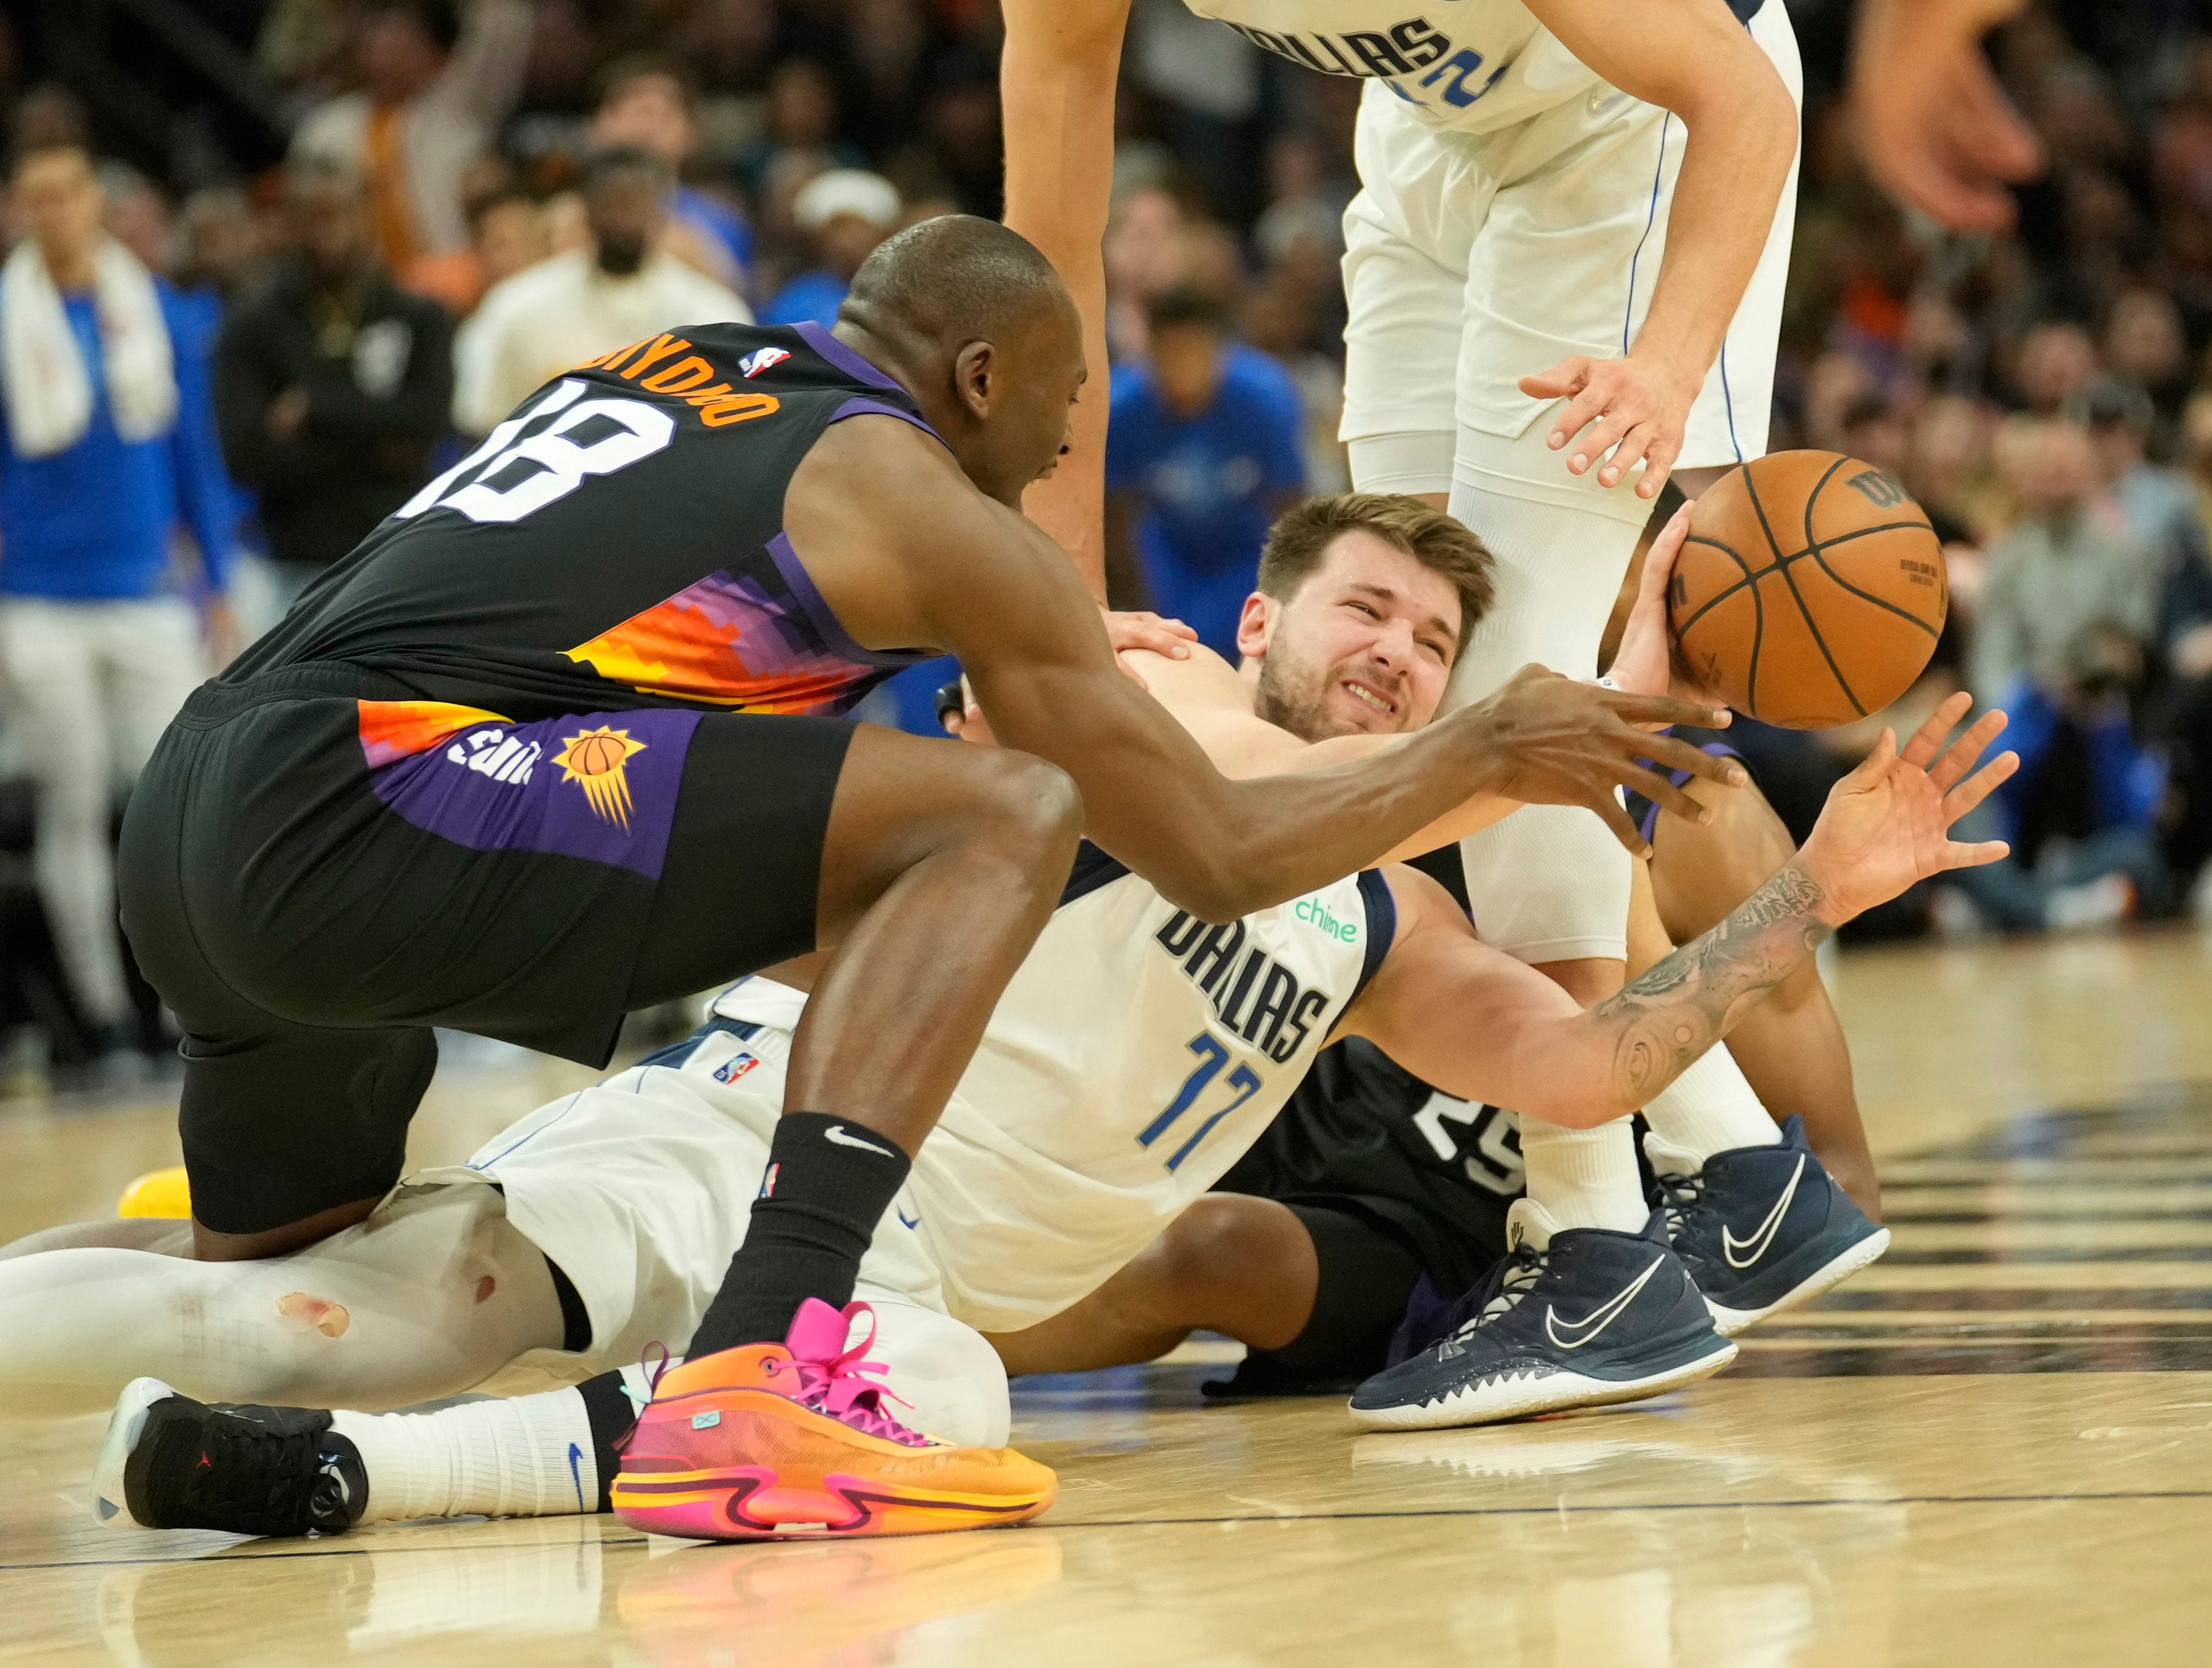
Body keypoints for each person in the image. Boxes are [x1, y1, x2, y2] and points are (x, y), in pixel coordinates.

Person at [109, 216, 1741, 1544]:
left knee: (263, 1293)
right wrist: (1479, 752)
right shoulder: (934, 511)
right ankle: (764, 1353)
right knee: (999, 816)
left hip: (200, 798)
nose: (1046, 477)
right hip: (371, 813)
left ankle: (260, 1412)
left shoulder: (697, 365)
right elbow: (1219, 848)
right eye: (1049, 431)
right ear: (974, 376)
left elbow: (621, 634)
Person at [61, 496, 2007, 1535]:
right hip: (751, 1132)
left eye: (1422, 642)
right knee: (321, 1316)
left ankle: (315, 1481)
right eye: (1354, 606)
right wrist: (1599, 703)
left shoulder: (1378, 917)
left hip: (894, 1282)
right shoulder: (1150, 693)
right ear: (1251, 623)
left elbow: (1590, 1060)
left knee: (957, 1401)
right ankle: (293, 1391)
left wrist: (1811, 892)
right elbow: (1259, 795)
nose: (1387, 652)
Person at [1005, 0, 1806, 1323]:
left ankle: (1594, 1247)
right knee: (1436, 651)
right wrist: (1070, 602)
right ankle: (1732, 1159)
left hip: (1641, 108)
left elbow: (1743, 100)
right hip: (1440, 130)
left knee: (1505, 678)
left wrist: (1664, 370)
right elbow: (1047, 267)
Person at [0, 141, 238, 1073]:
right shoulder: (8, 317)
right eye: (37, 196)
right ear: (22, 208)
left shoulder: (153, 313)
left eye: (70, 192)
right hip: (38, 603)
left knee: (177, 801)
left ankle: (192, 1004)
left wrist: (212, 578)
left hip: (145, 592)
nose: (55, 210)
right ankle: (102, 1018)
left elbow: (195, 458)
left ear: (97, 199)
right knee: (71, 803)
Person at [214, 161, 455, 617]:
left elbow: (429, 423)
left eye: (339, 213)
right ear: (288, 225)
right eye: (311, 217)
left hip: (399, 563)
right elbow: (245, 458)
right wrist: (381, 444)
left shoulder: (421, 318)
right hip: (294, 571)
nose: (328, 231)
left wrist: (315, 410)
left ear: (365, 215)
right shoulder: (252, 325)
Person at [450, 148, 750, 436]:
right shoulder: (518, 306)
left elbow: (740, 427)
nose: (624, 217)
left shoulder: (713, 315)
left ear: (662, 210)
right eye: (613, 203)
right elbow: (483, 424)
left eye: (635, 202)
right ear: (586, 209)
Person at [1105, 287, 1308, 656]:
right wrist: (1137, 599)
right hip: (1167, 550)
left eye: (1194, 353)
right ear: (1149, 353)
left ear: (1220, 351)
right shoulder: (1120, 409)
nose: (1183, 369)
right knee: (1171, 644)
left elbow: (1289, 503)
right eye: (1170, 354)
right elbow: (1117, 515)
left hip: (1245, 549)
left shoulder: (1266, 397)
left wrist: (1288, 593)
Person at [290, 0, 533, 271]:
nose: (387, 55)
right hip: (356, 281)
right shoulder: (325, 129)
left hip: (451, 273)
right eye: (380, 41)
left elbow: (503, 28)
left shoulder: (460, 122)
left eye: (403, 42)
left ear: (438, 55)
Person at [589, 57, 754, 293]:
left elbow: (736, 311)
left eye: (663, 115)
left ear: (691, 133)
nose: (646, 127)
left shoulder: (719, 225)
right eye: (632, 110)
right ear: (598, 124)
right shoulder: (557, 221)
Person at [760, 170, 903, 329]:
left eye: (856, 229)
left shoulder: (904, 295)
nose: (845, 243)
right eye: (837, 230)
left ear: (883, 234)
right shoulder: (797, 300)